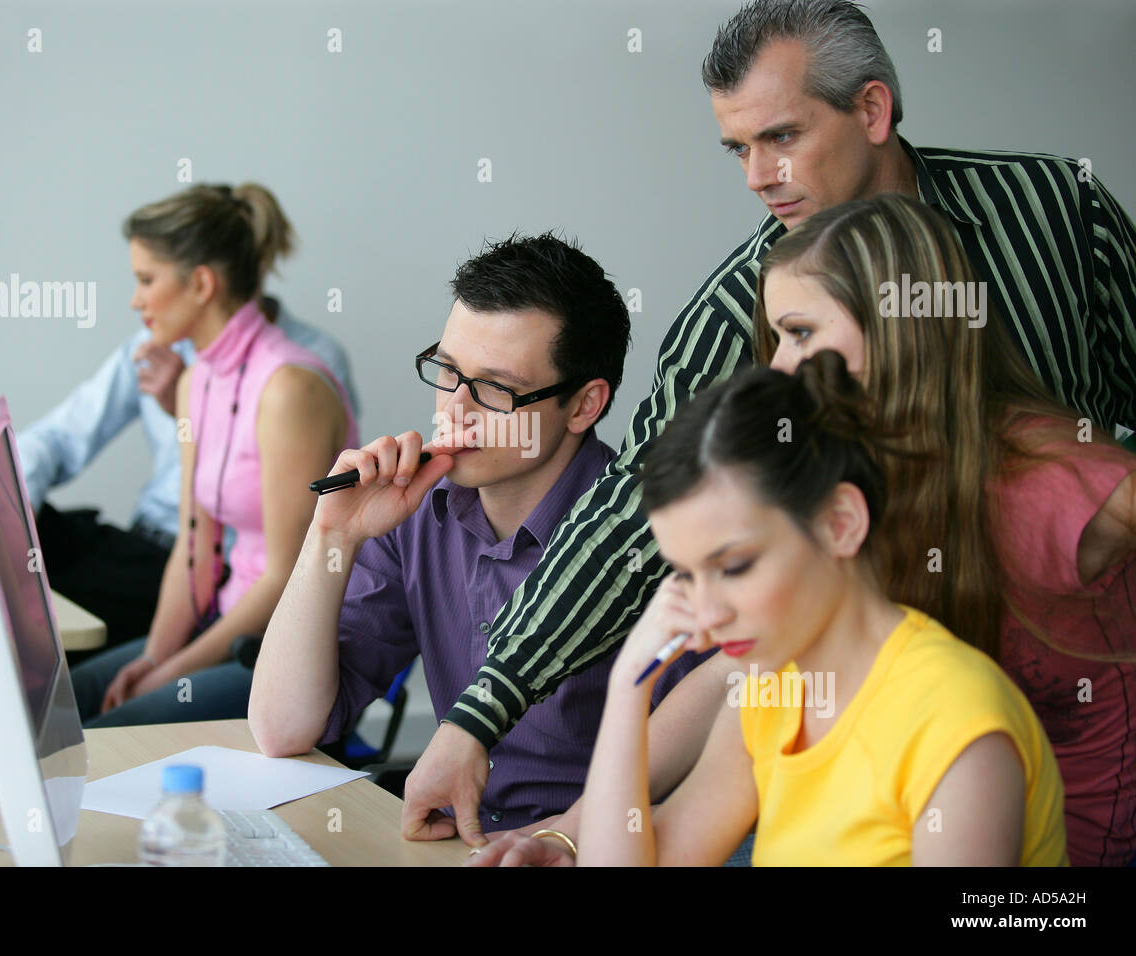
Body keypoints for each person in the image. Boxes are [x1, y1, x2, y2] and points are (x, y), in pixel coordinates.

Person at [411, 0, 1136, 847]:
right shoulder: (742, 322)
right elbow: (633, 518)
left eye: (781, 137)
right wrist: (513, 747)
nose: (757, 175)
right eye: (738, 149)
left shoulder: (1055, 222)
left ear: (871, 110)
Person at [475, 193, 1134, 867]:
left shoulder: (1047, 480)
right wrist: (581, 805)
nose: (782, 364)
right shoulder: (783, 661)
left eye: (799, 332)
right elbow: (737, 666)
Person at [248, 233, 700, 837]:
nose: (454, 410)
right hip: (448, 842)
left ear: (584, 406)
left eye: (494, 389)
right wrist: (334, 536)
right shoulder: (413, 511)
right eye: (449, 371)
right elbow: (283, 728)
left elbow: (708, 775)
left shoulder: (654, 541)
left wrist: (565, 838)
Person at [574, 352, 1068, 865]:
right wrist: (629, 681)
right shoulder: (770, 690)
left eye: (735, 566)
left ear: (840, 523)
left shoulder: (955, 723)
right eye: (688, 575)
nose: (708, 613)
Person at [70, 182, 359, 727]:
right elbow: (194, 544)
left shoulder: (289, 388)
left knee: (101, 739)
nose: (135, 299)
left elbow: (285, 576)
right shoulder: (195, 381)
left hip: (291, 643)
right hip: (227, 624)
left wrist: (165, 676)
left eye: (146, 280)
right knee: (54, 709)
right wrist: (156, 657)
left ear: (201, 283)